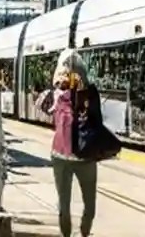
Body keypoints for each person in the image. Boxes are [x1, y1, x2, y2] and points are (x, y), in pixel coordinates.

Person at [40, 48, 100, 237]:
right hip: (82, 157)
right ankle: (83, 233)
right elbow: (97, 121)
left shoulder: (61, 95)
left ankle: (72, 234)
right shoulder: (88, 93)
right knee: (87, 205)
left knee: (65, 204)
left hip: (64, 155)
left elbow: (45, 111)